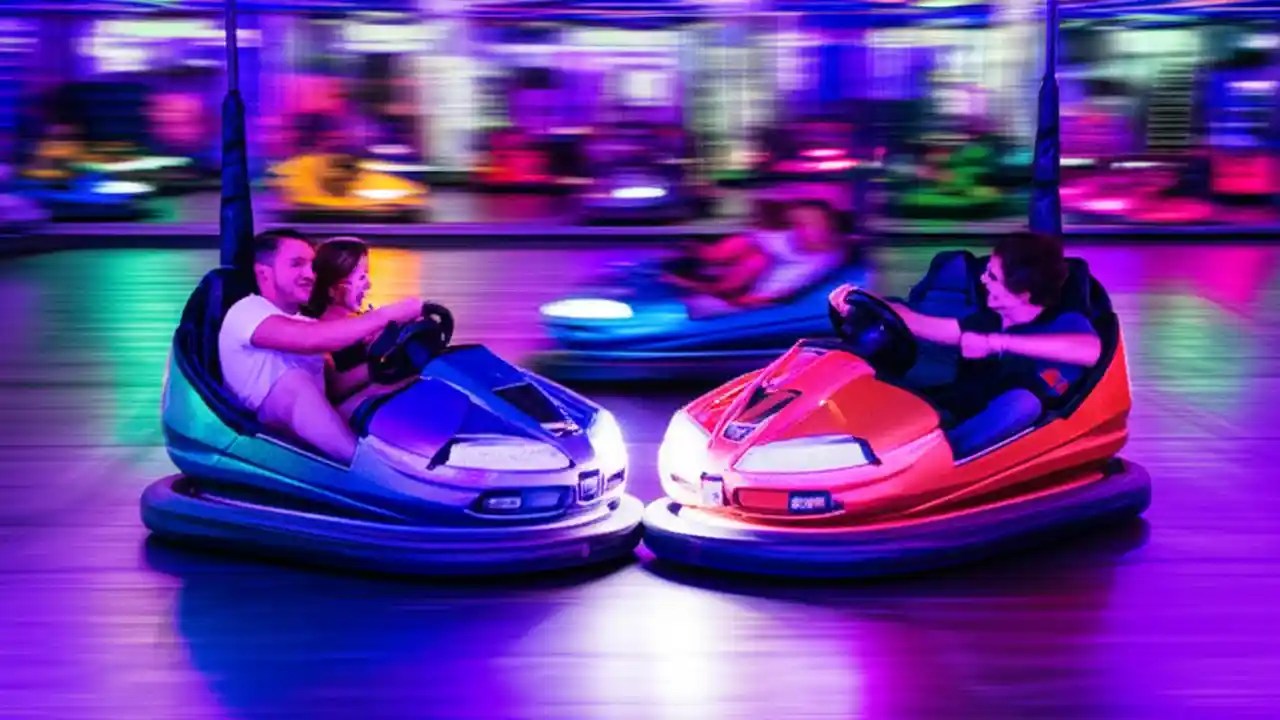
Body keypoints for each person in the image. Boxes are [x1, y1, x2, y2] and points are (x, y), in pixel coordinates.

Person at [829, 232, 1101, 458]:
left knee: (1025, 402)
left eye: (992, 277)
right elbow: (920, 322)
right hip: (960, 414)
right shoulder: (986, 320)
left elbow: (1089, 350)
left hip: (1009, 439)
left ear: (1022, 293)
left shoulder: (1065, 322)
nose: (982, 279)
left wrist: (998, 344)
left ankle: (934, 463)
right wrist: (863, 298)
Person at [218, 229, 423, 464]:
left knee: (404, 387)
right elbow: (310, 339)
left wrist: (389, 364)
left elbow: (332, 387)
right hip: (262, 437)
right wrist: (386, 315)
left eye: (311, 266)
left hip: (309, 429)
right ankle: (368, 470)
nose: (310, 275)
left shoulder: (305, 322)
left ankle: (430, 462)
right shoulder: (247, 310)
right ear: (263, 273)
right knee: (293, 383)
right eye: (297, 264)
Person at [302, 236, 416, 418]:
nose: (369, 285)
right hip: (361, 412)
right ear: (333, 287)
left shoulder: (366, 322)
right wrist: (382, 363)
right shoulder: (317, 332)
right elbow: (333, 389)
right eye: (362, 277)